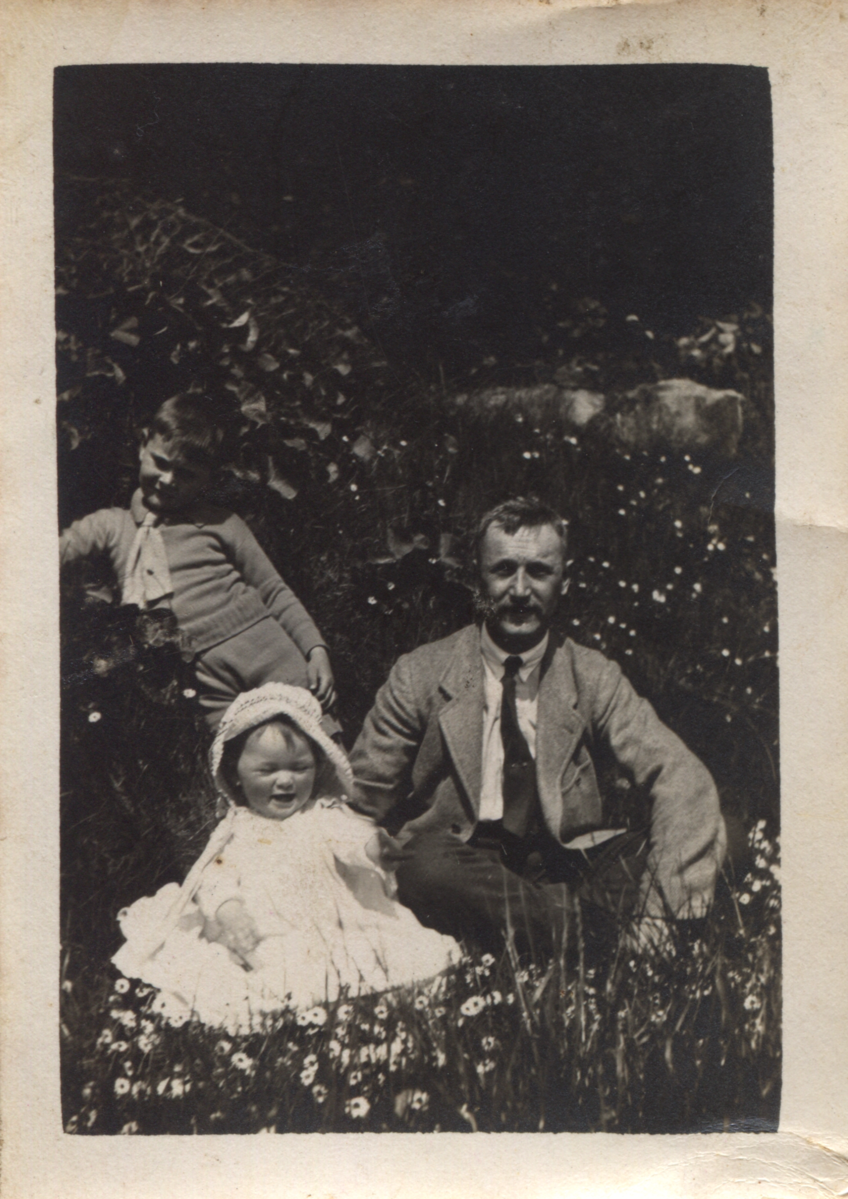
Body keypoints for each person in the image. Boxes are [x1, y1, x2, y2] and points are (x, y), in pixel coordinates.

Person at [348, 496, 727, 959]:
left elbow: (680, 776)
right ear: (477, 578)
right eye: (504, 570)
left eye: (539, 572)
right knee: (422, 868)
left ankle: (533, 931)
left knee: (714, 836)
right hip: (463, 863)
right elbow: (358, 801)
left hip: (563, 865)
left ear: (563, 581)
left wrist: (658, 913)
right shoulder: (421, 674)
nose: (520, 590)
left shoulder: (592, 675)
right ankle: (606, 940)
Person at [112, 684, 460, 1032]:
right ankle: (309, 1011)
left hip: (341, 924)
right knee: (281, 978)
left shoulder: (322, 816)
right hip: (275, 933)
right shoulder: (237, 831)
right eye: (267, 771)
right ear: (235, 774)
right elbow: (215, 877)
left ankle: (360, 999)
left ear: (318, 766)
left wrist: (374, 848)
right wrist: (229, 910)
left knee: (393, 955)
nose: (285, 781)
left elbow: (351, 838)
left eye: (299, 768)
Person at [60, 393, 336, 727]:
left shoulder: (222, 522)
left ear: (208, 479)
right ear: (143, 445)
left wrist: (314, 649)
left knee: (314, 734)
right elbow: (59, 549)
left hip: (263, 647)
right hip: (200, 674)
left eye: (187, 474)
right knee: (238, 750)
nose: (168, 480)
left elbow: (272, 588)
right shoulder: (113, 525)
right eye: (161, 462)